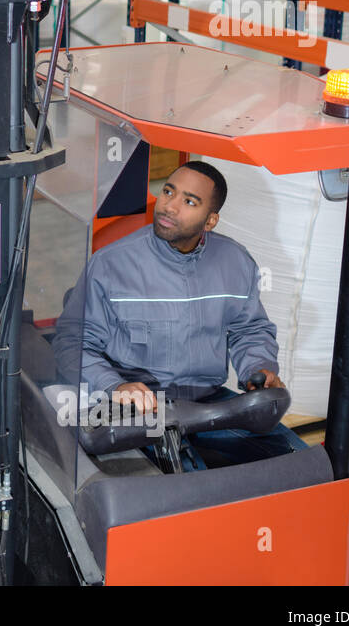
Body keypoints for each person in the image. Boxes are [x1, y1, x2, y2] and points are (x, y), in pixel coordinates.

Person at [54, 160, 306, 470]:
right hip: (137, 410)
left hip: (208, 404)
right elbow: (72, 343)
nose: (170, 207)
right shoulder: (110, 265)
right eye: (168, 192)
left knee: (297, 464)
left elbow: (249, 329)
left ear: (211, 220)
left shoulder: (236, 262)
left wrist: (258, 367)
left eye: (189, 201)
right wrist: (115, 386)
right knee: (192, 485)